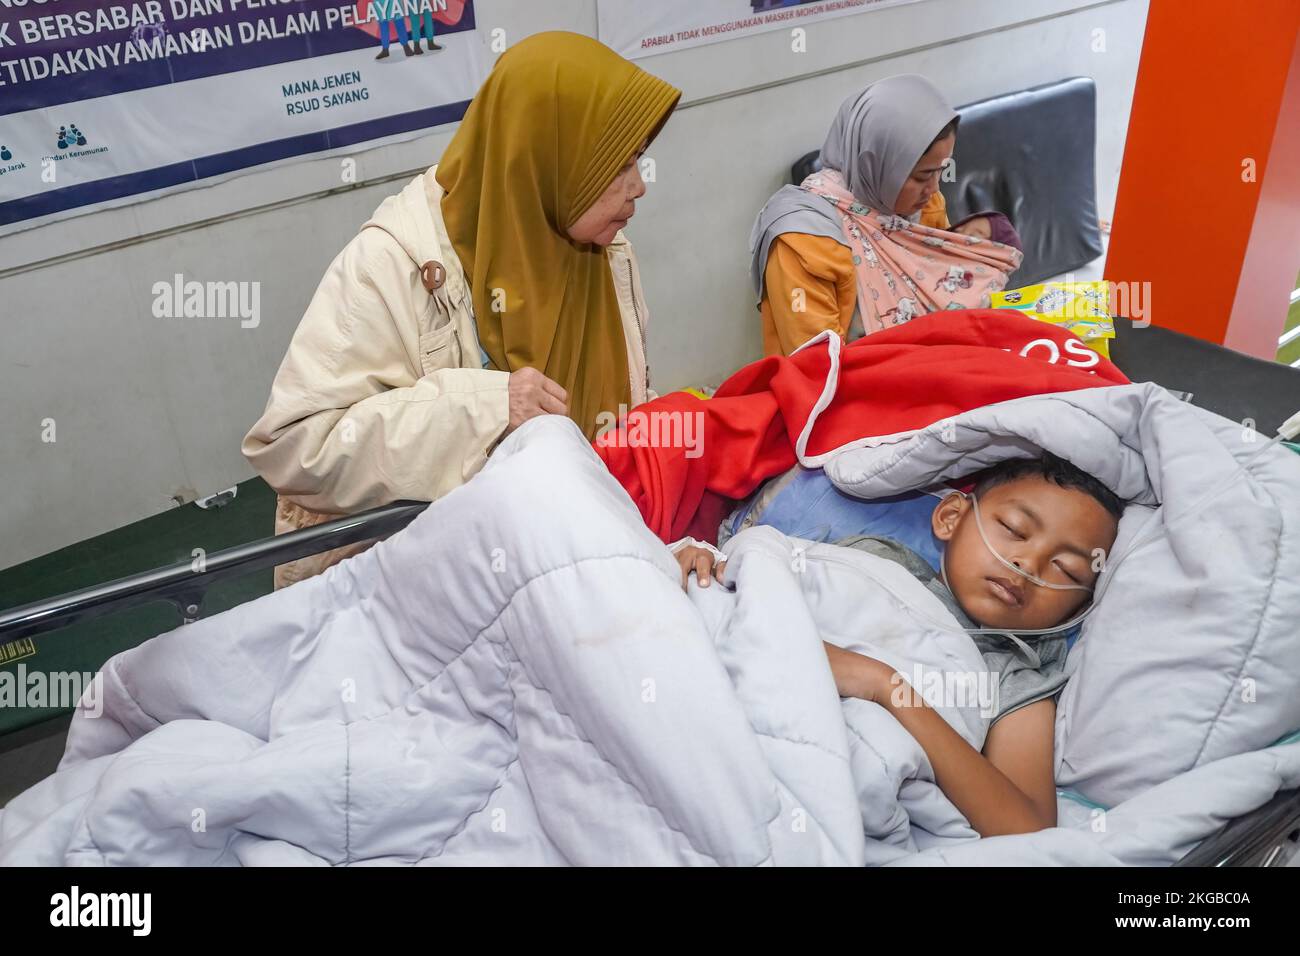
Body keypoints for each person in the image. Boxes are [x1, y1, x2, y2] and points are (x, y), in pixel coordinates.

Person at [243, 32, 680, 588]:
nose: (639, 187)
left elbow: (625, 421)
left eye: (639, 159)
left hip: (569, 561)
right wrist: (486, 407)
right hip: (422, 589)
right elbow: (295, 448)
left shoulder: (607, 255)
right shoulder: (389, 263)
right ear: (546, 158)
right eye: (617, 164)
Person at [673, 453, 1124, 837]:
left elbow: (1026, 831)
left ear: (1077, 606)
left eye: (1066, 571)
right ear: (951, 517)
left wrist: (887, 687)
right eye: (1014, 528)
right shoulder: (872, 557)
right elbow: (760, 581)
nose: (1028, 564)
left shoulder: (1016, 672)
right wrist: (701, 566)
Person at [750, 75, 1023, 356]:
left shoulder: (924, 206)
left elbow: (944, 293)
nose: (933, 189)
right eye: (922, 176)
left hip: (935, 361)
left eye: (941, 171)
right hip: (846, 384)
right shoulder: (802, 238)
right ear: (876, 163)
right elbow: (815, 363)